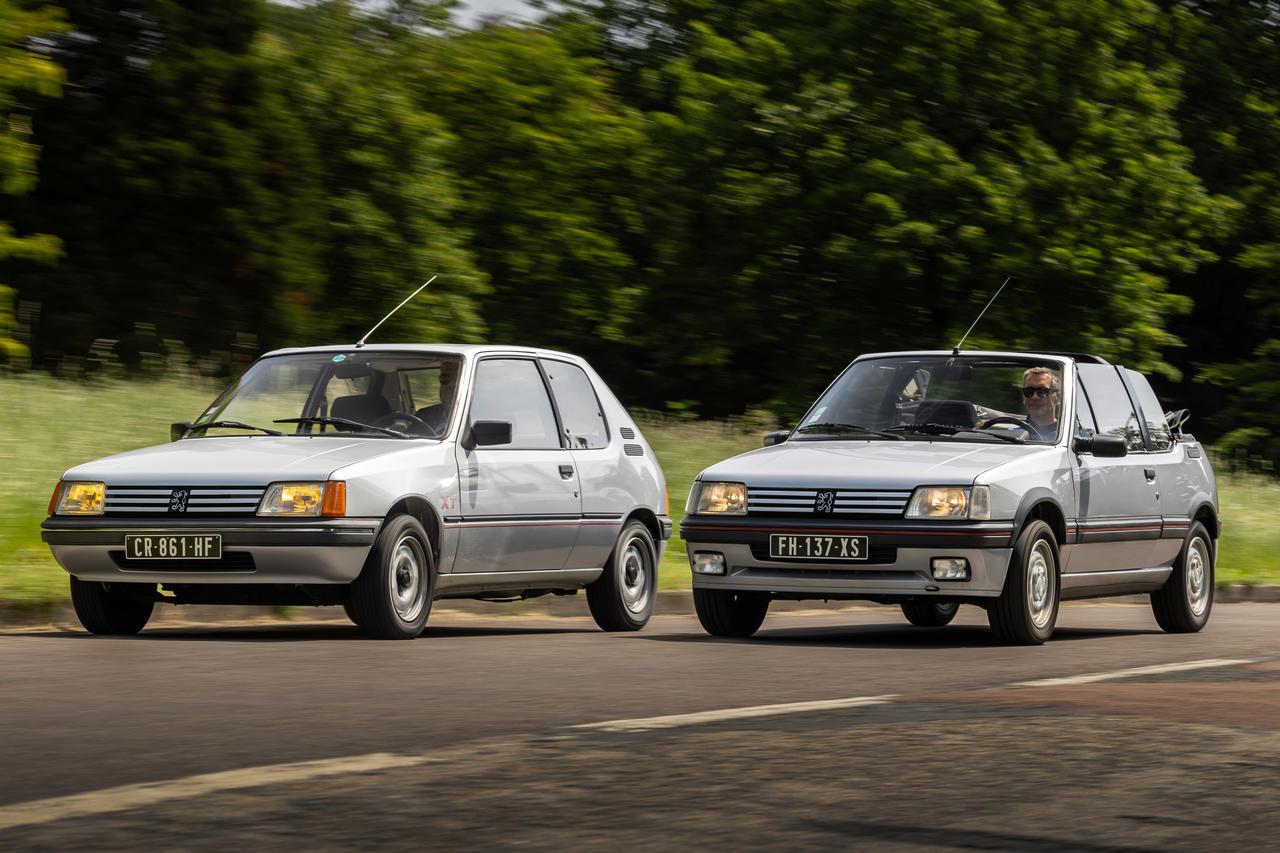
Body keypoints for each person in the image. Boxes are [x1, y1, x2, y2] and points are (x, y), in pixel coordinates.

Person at [415, 359, 460, 436]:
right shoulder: (424, 416)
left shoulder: (477, 419)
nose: (451, 385)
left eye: (460, 378)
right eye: (444, 378)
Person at [1020, 366, 1060, 442]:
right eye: (1028, 391)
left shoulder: (1066, 434)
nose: (1034, 397)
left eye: (1042, 391)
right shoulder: (1013, 429)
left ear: (1057, 397)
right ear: (1023, 396)